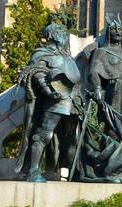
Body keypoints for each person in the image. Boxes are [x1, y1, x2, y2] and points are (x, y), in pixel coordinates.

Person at [15, 23, 83, 182]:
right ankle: (32, 171)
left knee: (72, 139)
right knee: (44, 135)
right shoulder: (42, 53)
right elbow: (37, 73)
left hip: (73, 101)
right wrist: (48, 91)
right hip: (54, 101)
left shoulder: (67, 56)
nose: (64, 34)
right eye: (60, 31)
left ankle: (73, 171)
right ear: (51, 35)